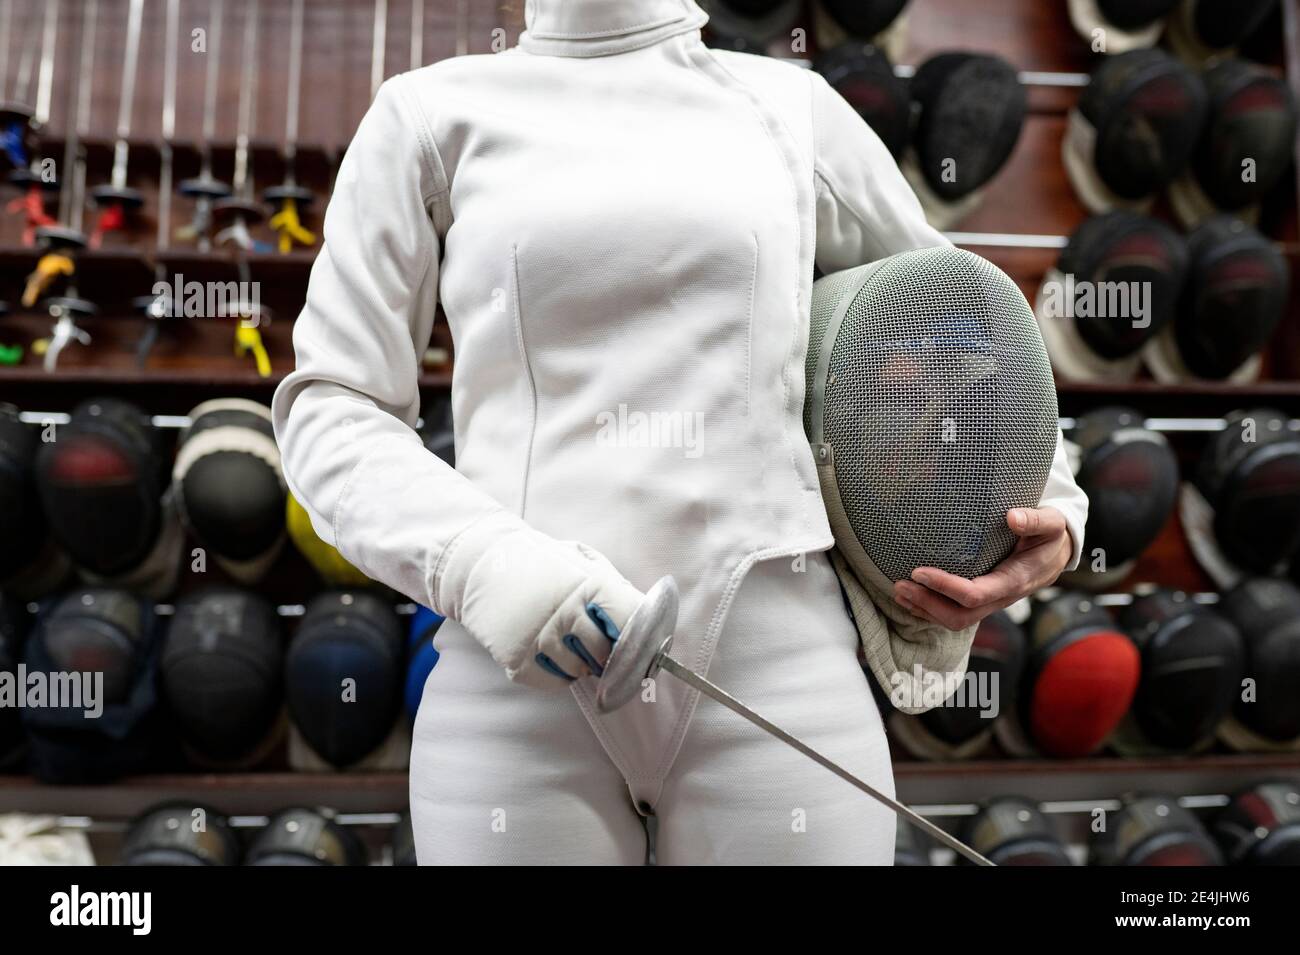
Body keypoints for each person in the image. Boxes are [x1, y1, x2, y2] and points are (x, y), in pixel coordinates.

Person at [272, 0, 1087, 865]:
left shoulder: (790, 108)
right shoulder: (428, 116)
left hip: (777, 670)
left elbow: (966, 315)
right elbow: (332, 404)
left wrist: (1051, 509)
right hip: (519, 681)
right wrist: (478, 560)